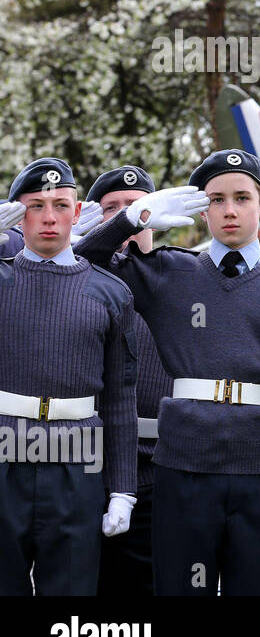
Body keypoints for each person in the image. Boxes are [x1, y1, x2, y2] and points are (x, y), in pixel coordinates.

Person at [74, 148, 260, 595]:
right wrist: (135, 218)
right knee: (181, 587)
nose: (229, 210)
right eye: (216, 199)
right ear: (202, 210)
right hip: (184, 465)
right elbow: (84, 261)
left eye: (242, 198)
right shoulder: (170, 271)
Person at [0, 158, 137, 595]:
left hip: (79, 459)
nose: (49, 216)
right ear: (16, 214)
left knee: (74, 591)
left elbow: (119, 397)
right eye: (35, 205)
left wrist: (123, 489)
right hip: (4, 452)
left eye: (61, 204)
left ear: (78, 213)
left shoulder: (110, 292)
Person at [83, 166, 172, 597]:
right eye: (113, 210)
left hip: (161, 471)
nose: (128, 219)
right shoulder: (77, 281)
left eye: (139, 209)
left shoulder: (180, 278)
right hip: (87, 468)